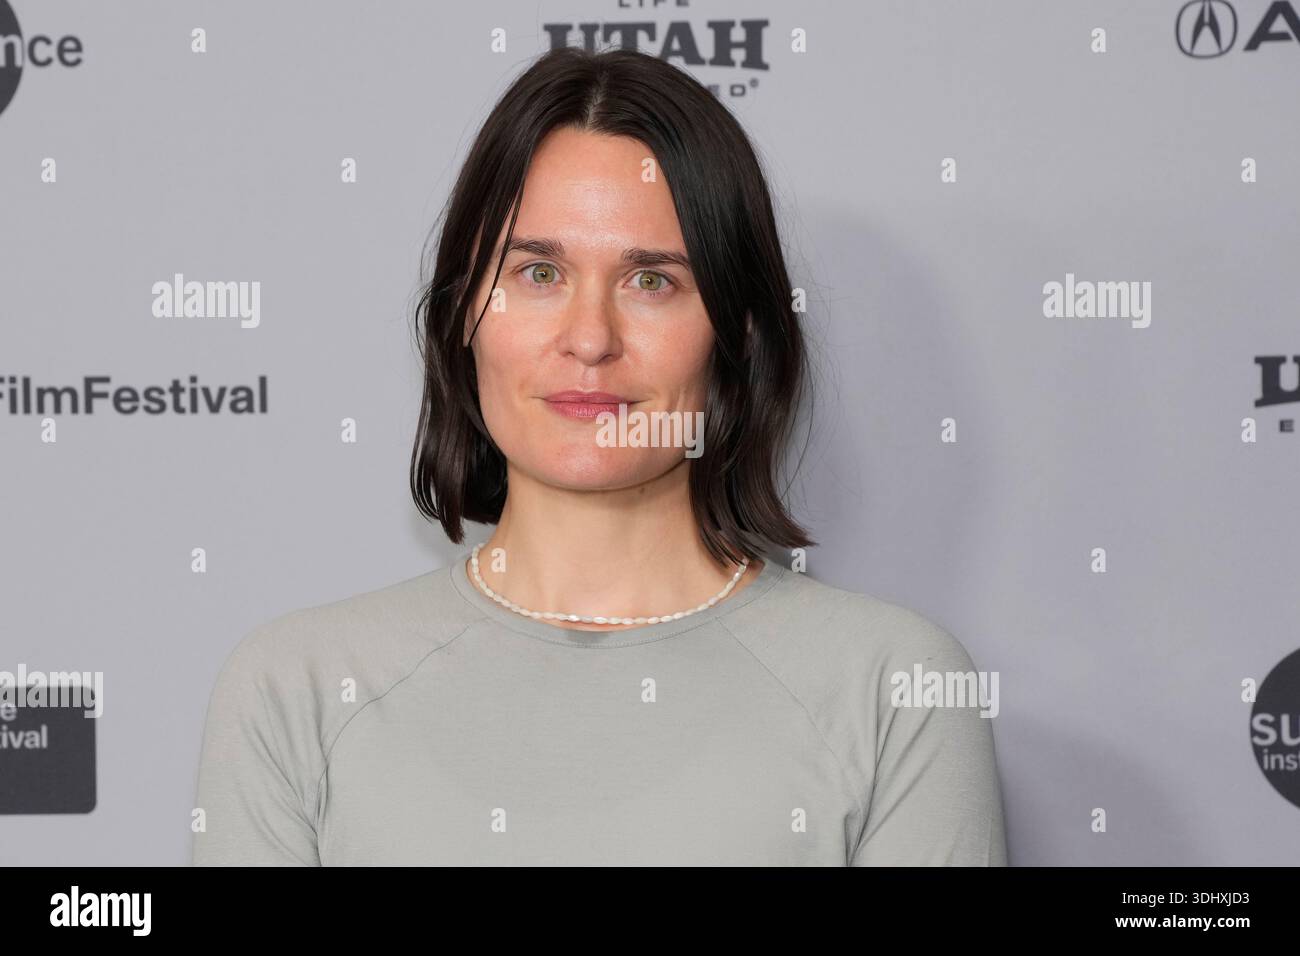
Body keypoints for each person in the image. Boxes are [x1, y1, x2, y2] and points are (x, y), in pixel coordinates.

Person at [191, 45, 1008, 866]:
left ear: (739, 332)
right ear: (462, 314)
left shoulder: (897, 688)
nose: (589, 340)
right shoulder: (294, 688)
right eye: (539, 272)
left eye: (651, 281)